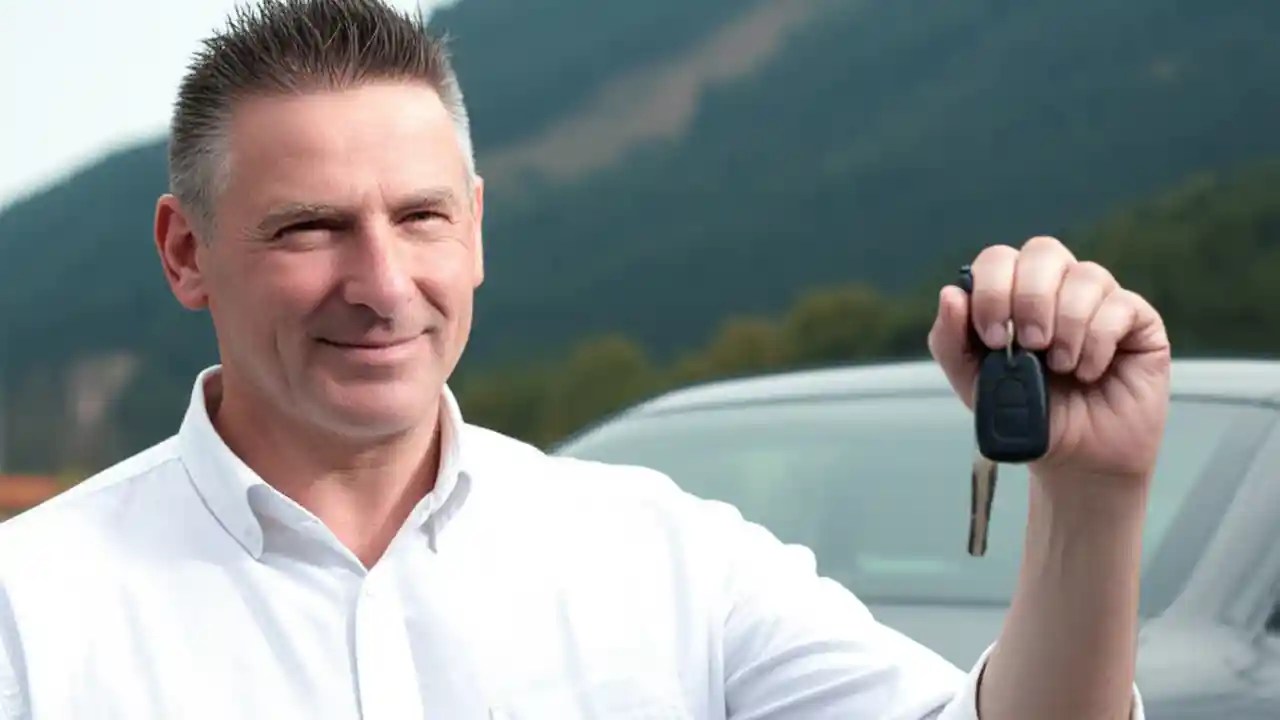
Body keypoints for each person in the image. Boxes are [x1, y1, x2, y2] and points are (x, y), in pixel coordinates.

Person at [0, 1, 1168, 718]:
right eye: (309, 227)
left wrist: (1091, 495)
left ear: (475, 228)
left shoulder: (666, 560)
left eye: (419, 217)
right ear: (185, 251)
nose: (382, 282)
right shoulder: (30, 609)